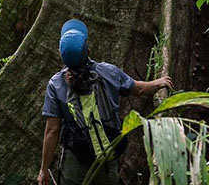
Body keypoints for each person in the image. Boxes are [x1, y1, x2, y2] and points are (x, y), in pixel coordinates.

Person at [37, 19, 173, 185]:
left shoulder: (56, 84)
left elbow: (52, 130)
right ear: (87, 49)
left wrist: (44, 170)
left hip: (75, 162)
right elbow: (140, 89)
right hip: (106, 158)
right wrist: (159, 82)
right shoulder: (108, 72)